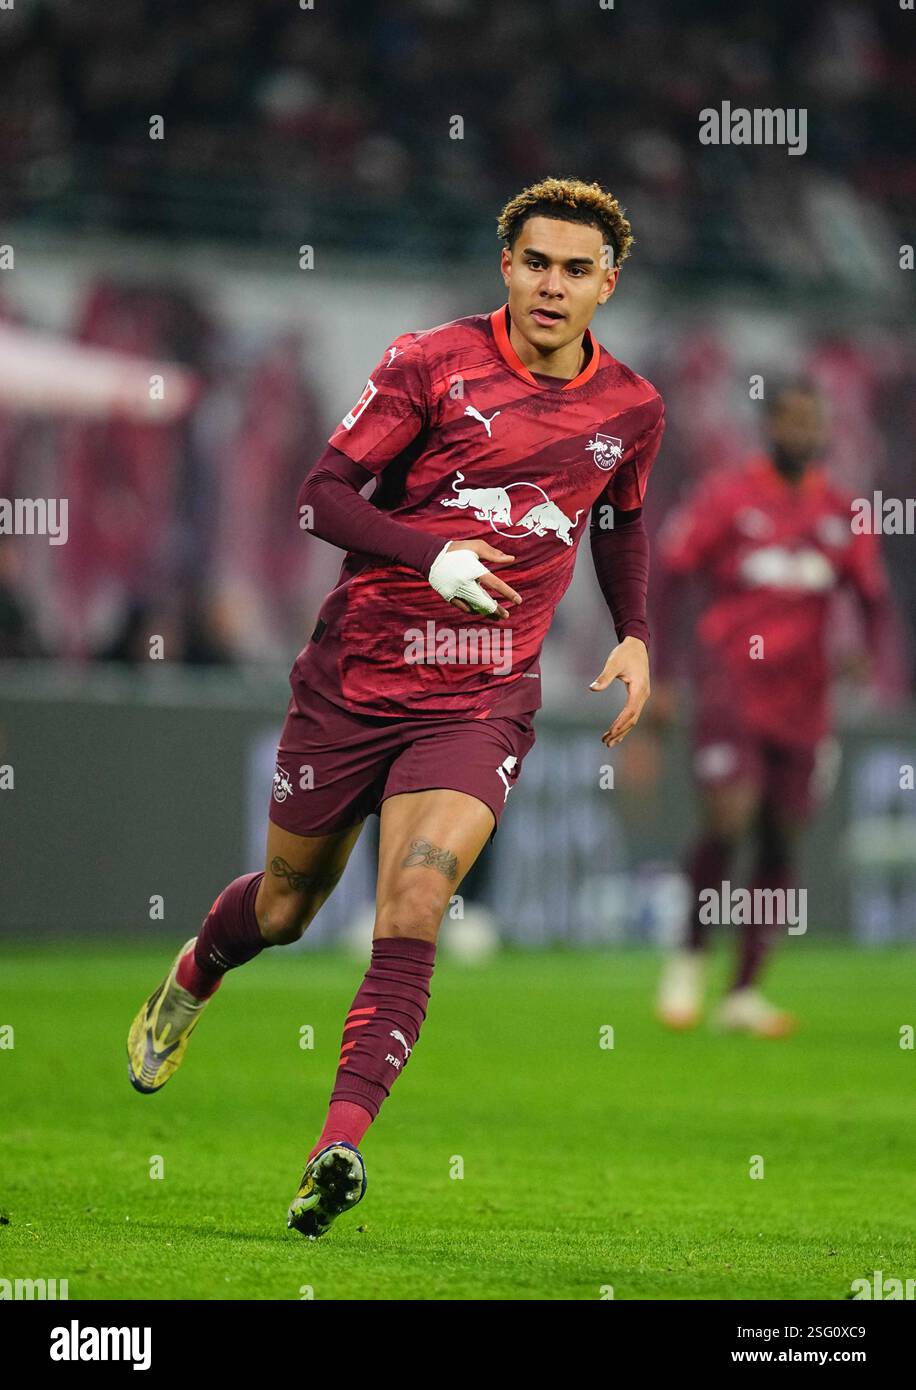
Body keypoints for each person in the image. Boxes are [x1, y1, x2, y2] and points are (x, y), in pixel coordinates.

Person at [127, 177, 665, 1239]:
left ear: (609, 282)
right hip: (355, 679)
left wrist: (635, 632)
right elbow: (321, 495)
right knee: (285, 909)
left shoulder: (633, 408)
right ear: (505, 267)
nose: (551, 285)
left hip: (481, 695)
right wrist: (437, 555)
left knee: (415, 896)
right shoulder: (431, 361)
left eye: (575, 269)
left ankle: (338, 1145)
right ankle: (192, 977)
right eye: (535, 263)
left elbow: (621, 522)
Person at [652, 382, 891, 1037]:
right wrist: (662, 673)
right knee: (728, 820)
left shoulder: (842, 512)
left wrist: (866, 654)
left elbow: (872, 597)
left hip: (805, 701)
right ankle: (689, 957)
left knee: (782, 835)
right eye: (790, 419)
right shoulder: (727, 498)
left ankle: (744, 992)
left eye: (812, 421)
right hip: (731, 687)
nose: (802, 432)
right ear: (768, 425)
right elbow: (671, 575)